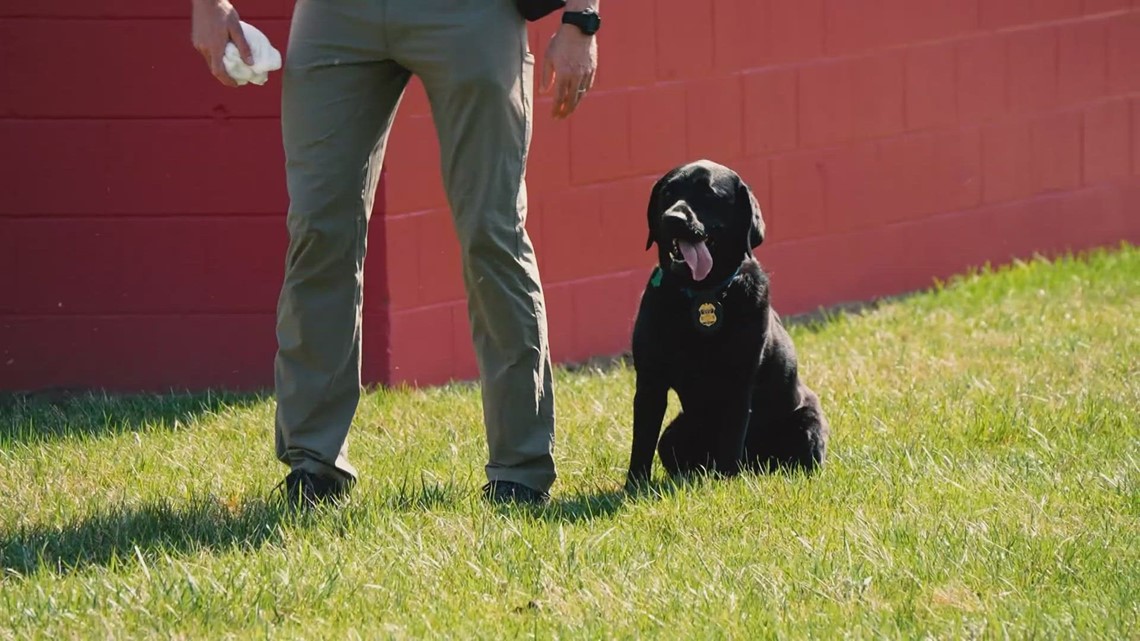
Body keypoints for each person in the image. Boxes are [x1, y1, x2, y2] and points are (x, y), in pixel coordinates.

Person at [191, 0, 601, 507]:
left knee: (491, 233)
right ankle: (313, 463)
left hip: (471, 13)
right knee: (319, 230)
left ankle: (520, 468)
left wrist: (582, 19)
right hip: (337, 15)